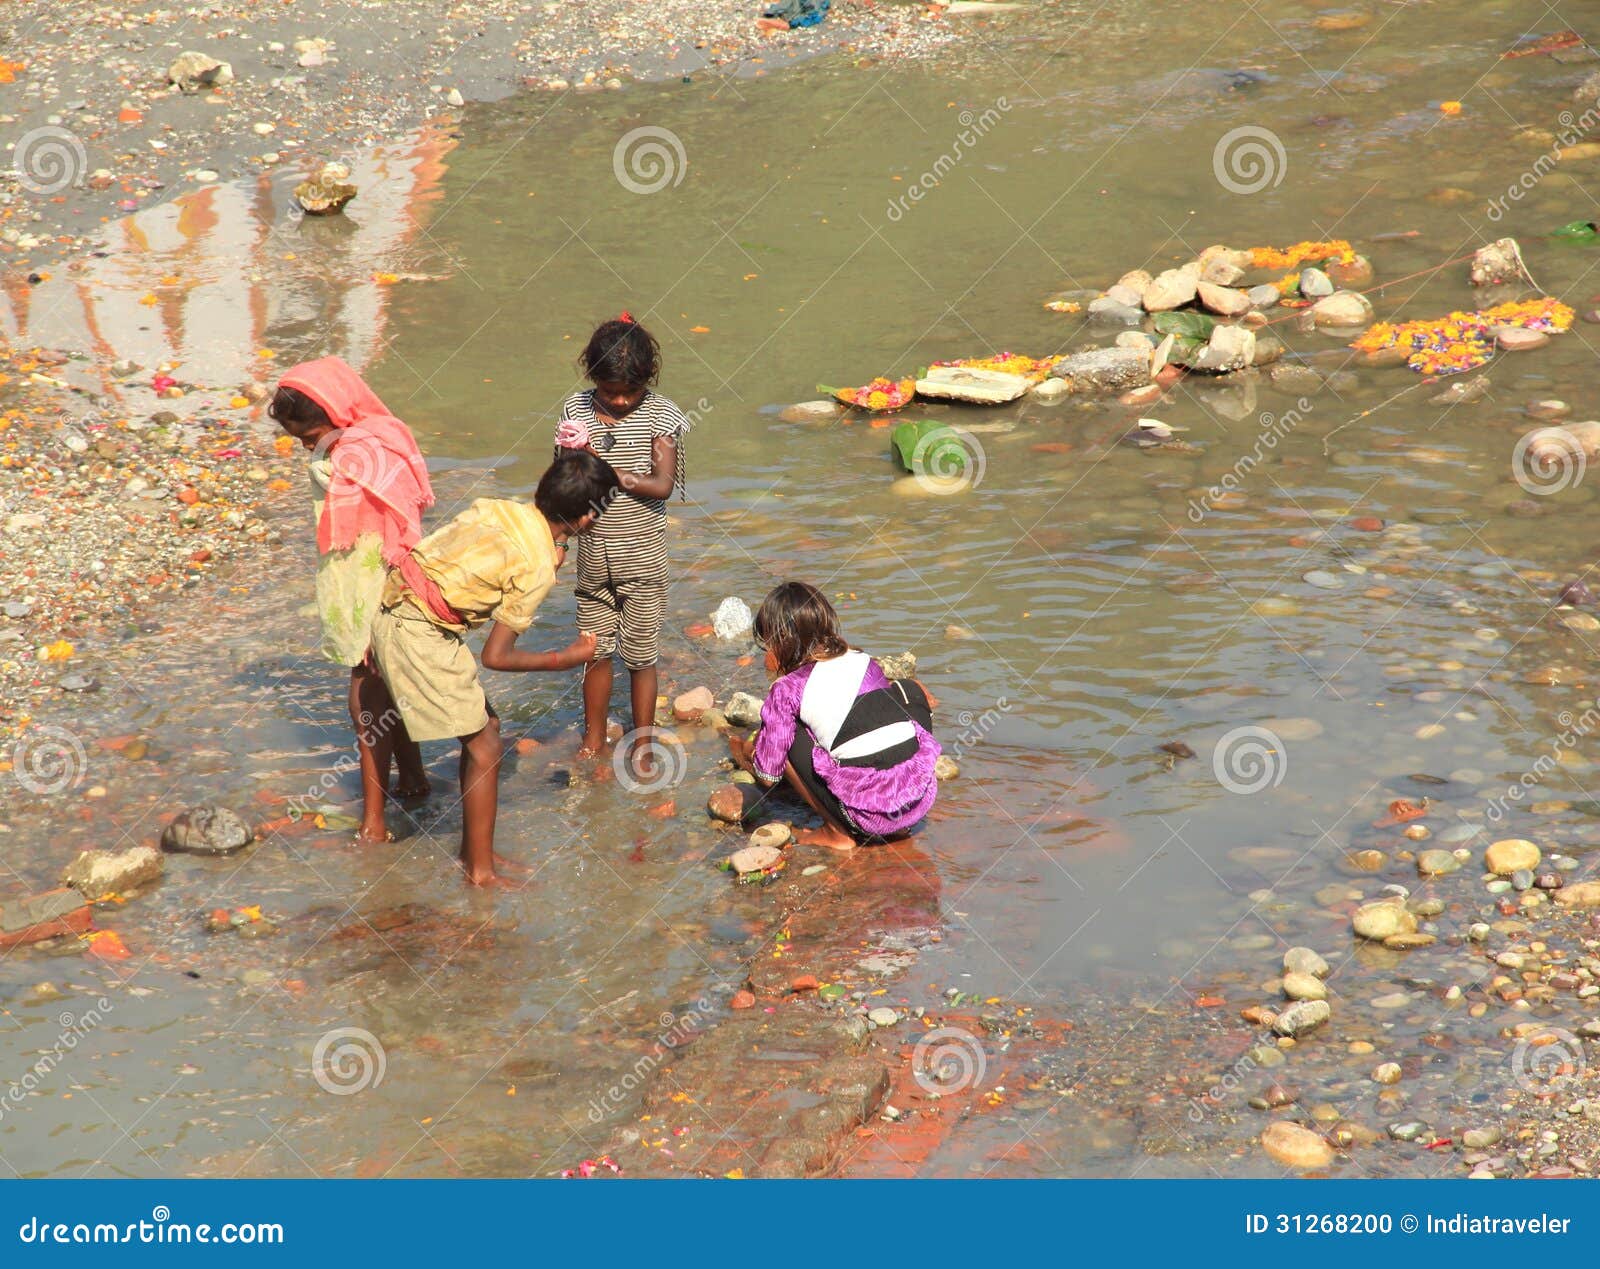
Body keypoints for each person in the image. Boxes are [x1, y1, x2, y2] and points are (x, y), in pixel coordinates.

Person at [368, 450, 616, 885]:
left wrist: (555, 544)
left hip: (392, 602)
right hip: (418, 630)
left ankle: (474, 851)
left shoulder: (500, 507)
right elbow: (496, 657)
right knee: (485, 746)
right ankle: (478, 872)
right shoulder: (537, 566)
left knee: (488, 727)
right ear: (584, 521)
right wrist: (567, 658)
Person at [270, 356, 434, 844]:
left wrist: (393, 582)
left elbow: (402, 518)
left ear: (337, 412)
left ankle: (375, 822)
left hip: (375, 579)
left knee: (365, 691)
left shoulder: (368, 447)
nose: (306, 445)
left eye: (308, 434)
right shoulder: (361, 440)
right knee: (384, 682)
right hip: (348, 579)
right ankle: (414, 779)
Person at [554, 311, 688, 769]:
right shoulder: (576, 411)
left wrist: (608, 471)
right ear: (592, 376)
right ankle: (593, 738)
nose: (618, 399)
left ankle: (643, 741)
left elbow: (662, 485)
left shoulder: (662, 416)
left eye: (628, 391)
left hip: (643, 557)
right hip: (593, 555)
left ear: (647, 378)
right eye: (609, 391)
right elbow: (565, 483)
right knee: (594, 649)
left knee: (641, 656)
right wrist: (558, 541)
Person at [728, 582, 941, 849]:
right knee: (907, 690)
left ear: (782, 644)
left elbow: (768, 775)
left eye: (767, 646)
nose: (765, 657)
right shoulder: (863, 660)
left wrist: (754, 751)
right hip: (918, 802)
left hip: (868, 819)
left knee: (788, 735)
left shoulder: (787, 688)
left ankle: (836, 833)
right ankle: (902, 820)